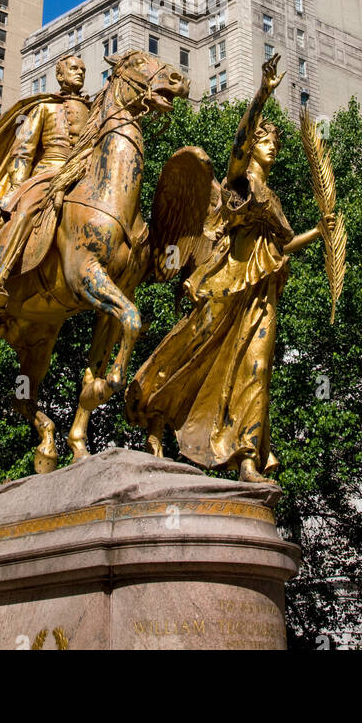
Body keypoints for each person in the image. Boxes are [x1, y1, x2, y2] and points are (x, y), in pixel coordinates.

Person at [126, 54, 322, 482]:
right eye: (267, 140)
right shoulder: (238, 181)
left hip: (261, 293)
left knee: (257, 368)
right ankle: (157, 409)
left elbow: (285, 242)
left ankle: (248, 458)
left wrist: (319, 231)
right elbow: (238, 141)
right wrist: (263, 94)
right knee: (191, 350)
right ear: (252, 147)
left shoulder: (272, 198)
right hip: (226, 285)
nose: (273, 146)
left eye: (275, 143)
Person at [0, 55, 90, 315]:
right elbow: (23, 151)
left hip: (83, 174)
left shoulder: (94, 110)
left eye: (83, 70)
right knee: (28, 210)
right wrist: (19, 187)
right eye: (73, 69)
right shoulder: (43, 108)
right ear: (60, 75)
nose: (80, 73)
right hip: (48, 174)